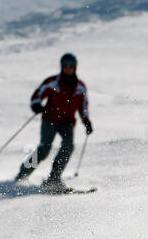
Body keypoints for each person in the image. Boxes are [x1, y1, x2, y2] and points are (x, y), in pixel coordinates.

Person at [16, 52, 92, 190]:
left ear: (75, 67)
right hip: (50, 120)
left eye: (71, 66)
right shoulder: (53, 82)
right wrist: (36, 105)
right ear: (61, 66)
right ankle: (22, 174)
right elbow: (38, 95)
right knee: (44, 149)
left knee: (68, 146)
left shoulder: (80, 87)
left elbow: (83, 106)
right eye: (65, 65)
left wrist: (86, 121)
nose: (68, 68)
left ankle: (53, 179)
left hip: (67, 122)